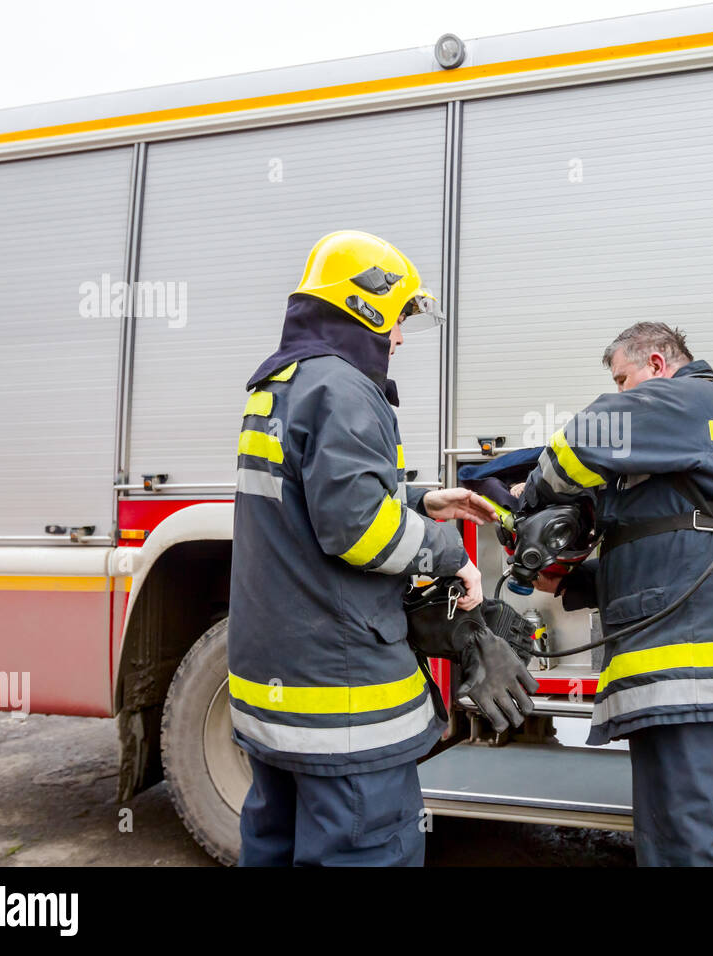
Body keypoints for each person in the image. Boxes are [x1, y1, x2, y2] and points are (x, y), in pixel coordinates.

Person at [228, 230, 506, 866]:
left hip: (278, 698)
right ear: (365, 307)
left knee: (272, 847)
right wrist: (450, 551)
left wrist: (417, 504)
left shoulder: (280, 384)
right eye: (398, 319)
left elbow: (308, 510)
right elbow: (354, 530)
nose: (400, 338)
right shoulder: (345, 388)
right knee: (366, 851)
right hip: (343, 708)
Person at [514, 321, 713, 866]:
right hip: (696, 667)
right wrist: (573, 580)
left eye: (625, 378)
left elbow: (586, 437)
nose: (624, 391)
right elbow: (672, 549)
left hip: (705, 670)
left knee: (696, 849)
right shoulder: (694, 430)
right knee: (675, 845)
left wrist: (534, 490)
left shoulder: (688, 398)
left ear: (659, 365)